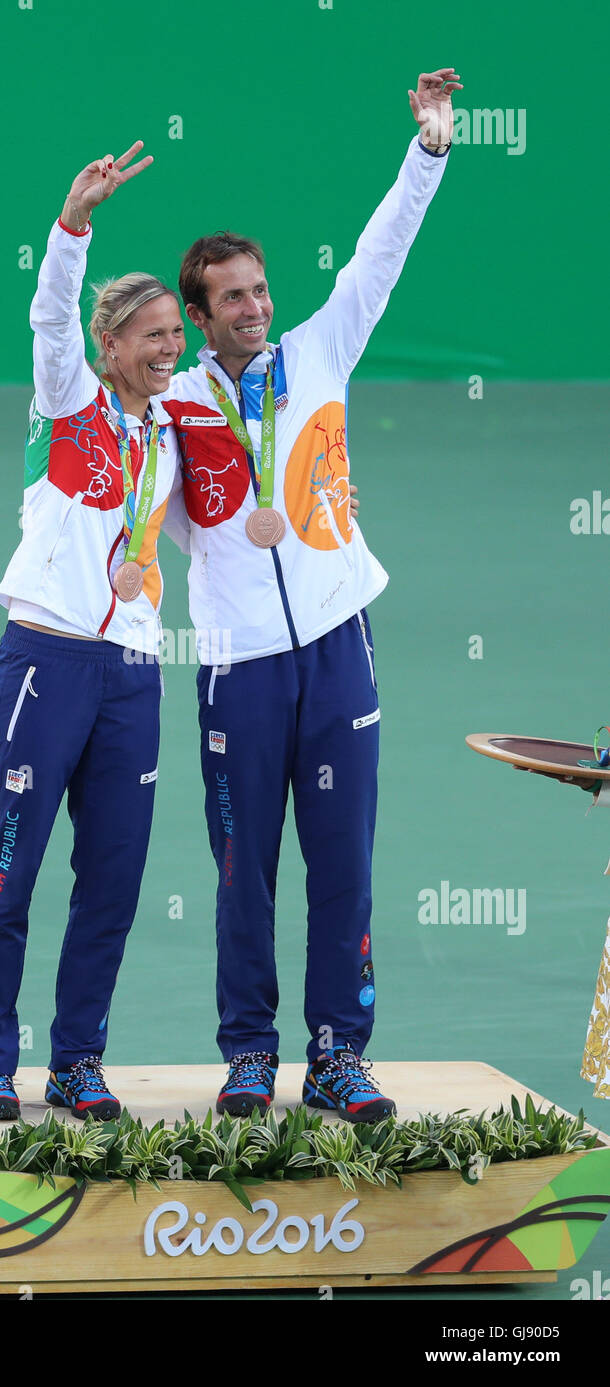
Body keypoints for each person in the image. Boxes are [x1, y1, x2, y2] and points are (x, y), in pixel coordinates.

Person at [161, 70, 462, 1120]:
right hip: (238, 663)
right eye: (230, 298)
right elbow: (139, 507)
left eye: (258, 288)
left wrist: (424, 152)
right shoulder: (174, 404)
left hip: (337, 645)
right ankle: (249, 1052)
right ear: (199, 319)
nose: (253, 306)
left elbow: (379, 253)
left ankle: (337, 1052)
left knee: (340, 861)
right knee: (244, 869)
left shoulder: (319, 351)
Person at [0, 142, 183, 1122]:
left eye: (174, 332)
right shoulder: (69, 401)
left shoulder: (170, 432)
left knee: (111, 882)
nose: (166, 347)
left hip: (134, 673)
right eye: (148, 335)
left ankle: (79, 1060)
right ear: (108, 346)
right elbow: (50, 314)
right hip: (44, 663)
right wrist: (72, 227)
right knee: (8, 872)